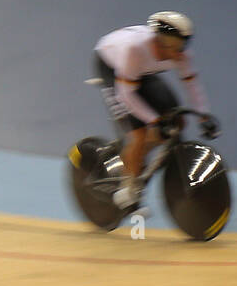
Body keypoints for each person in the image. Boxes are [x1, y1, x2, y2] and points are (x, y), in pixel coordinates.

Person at [93, 11, 217, 209]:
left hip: (142, 72)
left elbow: (192, 84)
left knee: (177, 121)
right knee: (139, 135)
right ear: (158, 40)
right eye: (173, 44)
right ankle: (128, 187)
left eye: (182, 44)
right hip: (111, 66)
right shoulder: (135, 49)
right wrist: (153, 120)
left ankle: (136, 156)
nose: (178, 51)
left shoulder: (180, 55)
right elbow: (126, 95)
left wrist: (203, 114)